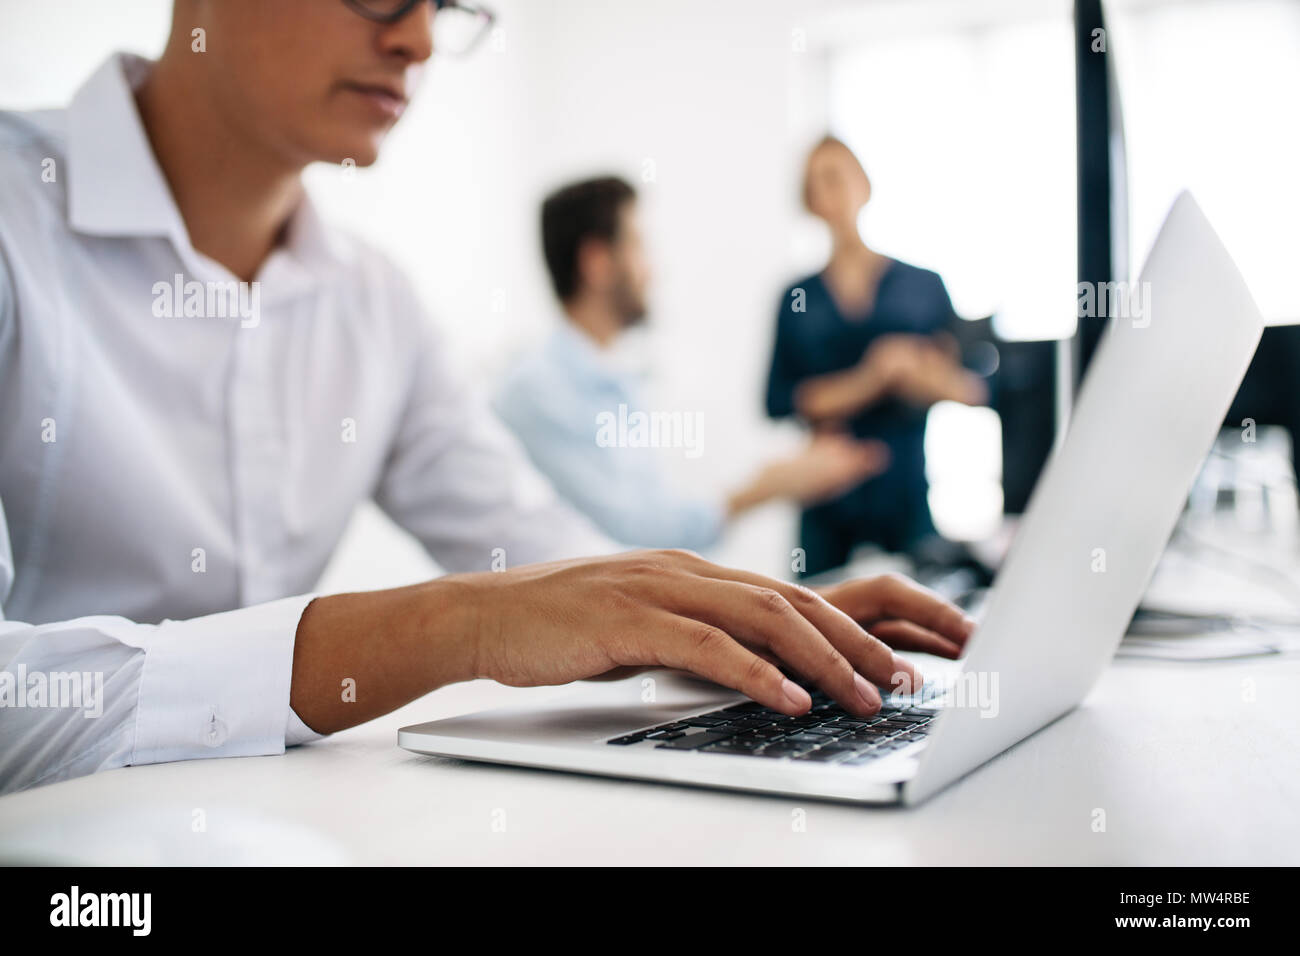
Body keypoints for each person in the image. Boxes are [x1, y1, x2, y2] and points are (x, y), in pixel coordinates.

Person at [0, 1, 974, 794]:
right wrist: (453, 621)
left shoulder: (372, 300)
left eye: (443, 5)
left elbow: (546, 558)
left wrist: (735, 620)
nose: (418, 39)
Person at [494, 176, 887, 552]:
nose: (653, 269)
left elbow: (652, 516)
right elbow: (634, 536)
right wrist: (769, 486)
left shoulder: (617, 380)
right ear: (596, 261)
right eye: (638, 245)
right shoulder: (537, 391)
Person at [766, 135, 988, 577]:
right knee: (813, 624)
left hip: (905, 493)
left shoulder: (924, 286)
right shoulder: (797, 298)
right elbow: (781, 400)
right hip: (827, 499)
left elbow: (971, 386)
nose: (830, 194)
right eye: (816, 185)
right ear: (808, 203)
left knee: (925, 615)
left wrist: (917, 374)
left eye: (837, 178)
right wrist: (874, 376)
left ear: (864, 185)